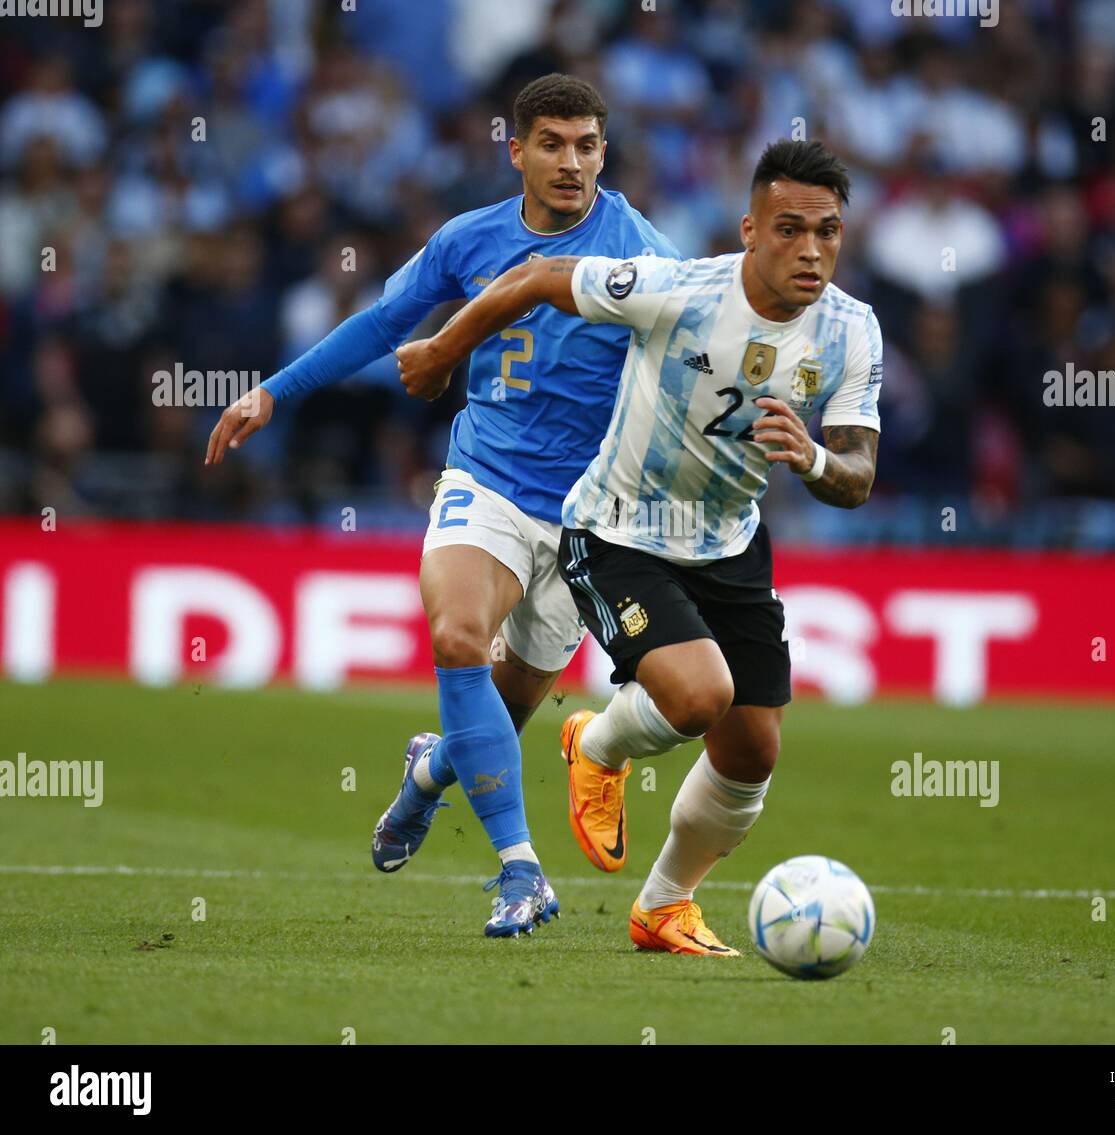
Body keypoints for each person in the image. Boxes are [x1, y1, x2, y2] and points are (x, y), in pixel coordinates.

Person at [204, 74, 679, 938]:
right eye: (552, 144)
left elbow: (686, 365)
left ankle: (428, 775)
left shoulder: (643, 254)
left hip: (586, 520)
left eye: (586, 145)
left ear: (604, 152)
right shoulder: (470, 239)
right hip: (486, 479)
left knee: (504, 708)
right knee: (457, 635)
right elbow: (384, 325)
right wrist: (274, 392)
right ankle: (521, 872)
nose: (570, 162)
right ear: (518, 150)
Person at [396, 139, 882, 954]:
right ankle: (595, 742)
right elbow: (535, 280)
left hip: (730, 540)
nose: (810, 250)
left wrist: (816, 458)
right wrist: (445, 350)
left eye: (828, 231)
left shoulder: (850, 330)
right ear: (750, 229)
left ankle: (664, 906)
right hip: (619, 530)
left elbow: (859, 471)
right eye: (789, 229)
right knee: (698, 697)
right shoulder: (680, 290)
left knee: (753, 749)